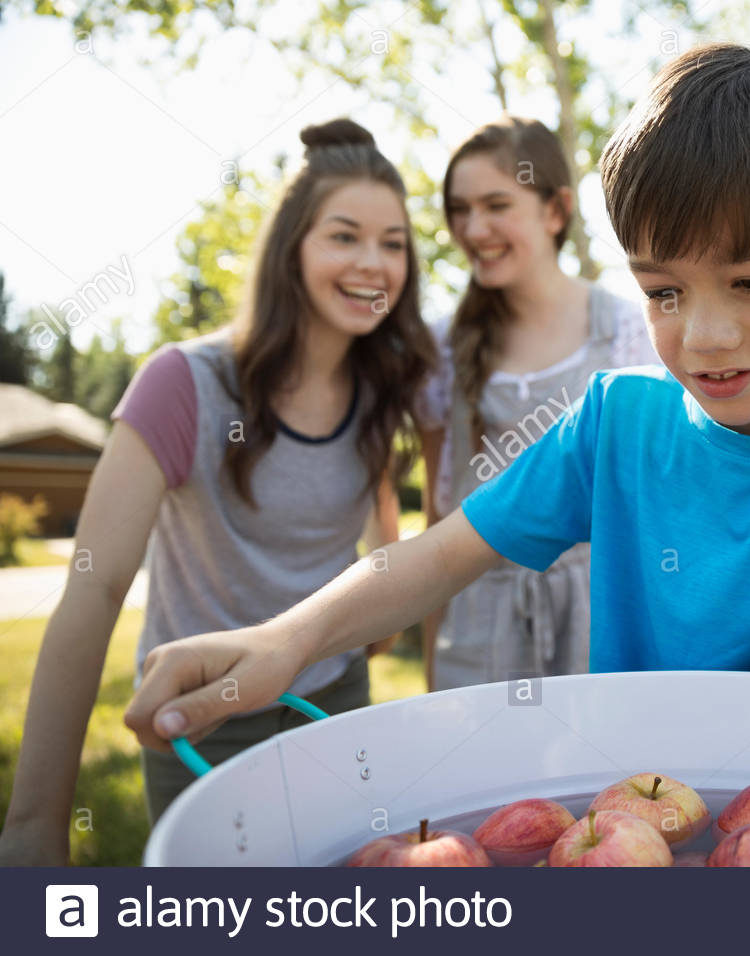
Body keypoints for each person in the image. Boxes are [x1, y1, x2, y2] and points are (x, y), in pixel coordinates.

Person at [123, 44, 750, 758]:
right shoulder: (616, 423)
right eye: (664, 291)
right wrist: (283, 640)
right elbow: (444, 554)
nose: (705, 334)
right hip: (623, 825)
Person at [0, 119, 436, 865]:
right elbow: (94, 587)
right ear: (291, 248)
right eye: (345, 235)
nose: (374, 263)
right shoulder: (184, 385)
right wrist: (36, 823)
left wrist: (375, 617)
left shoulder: (379, 389)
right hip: (205, 712)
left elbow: (377, 537)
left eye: (394, 242)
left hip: (333, 702)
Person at [418, 116, 657, 691]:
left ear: (555, 210)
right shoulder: (439, 348)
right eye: (460, 209)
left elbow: (656, 515)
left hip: (596, 627)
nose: (473, 228)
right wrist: (430, 665)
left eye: (496, 204)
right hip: (476, 636)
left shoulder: (627, 332)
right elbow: (434, 517)